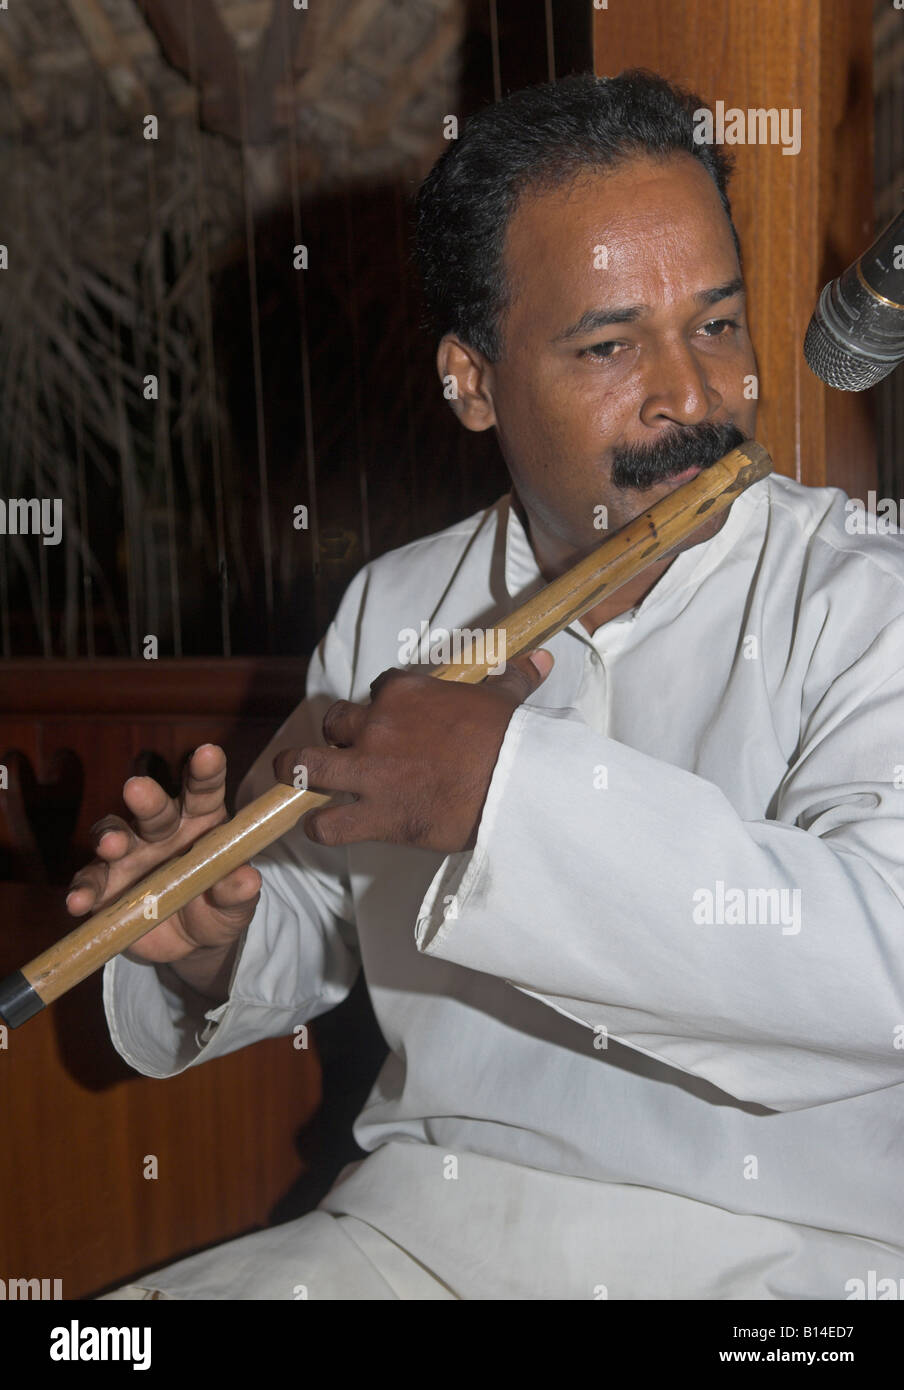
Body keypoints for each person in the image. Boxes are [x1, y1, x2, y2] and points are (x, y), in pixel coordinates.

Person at [74, 71, 904, 1300]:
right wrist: (213, 938)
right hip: (421, 1237)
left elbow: (879, 967)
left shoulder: (862, 596)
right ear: (472, 381)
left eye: (717, 325)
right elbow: (313, 918)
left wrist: (500, 794)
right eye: (612, 344)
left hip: (785, 1268)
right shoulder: (396, 608)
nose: (692, 394)